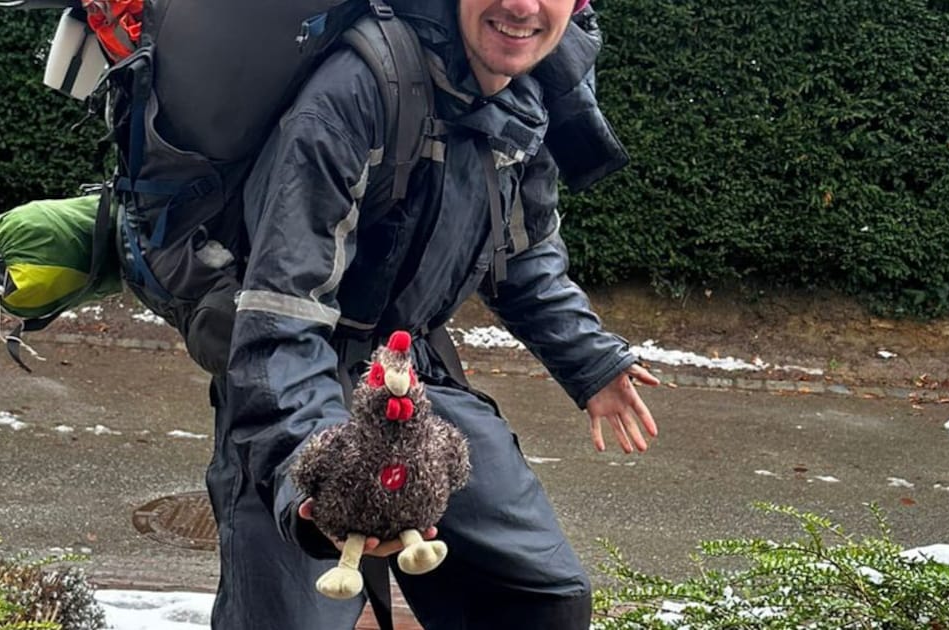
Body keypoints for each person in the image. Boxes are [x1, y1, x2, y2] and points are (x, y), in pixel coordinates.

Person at [205, 0, 659, 627]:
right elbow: (282, 316)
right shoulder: (359, 86)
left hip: (408, 378)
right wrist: (317, 471)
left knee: (542, 600)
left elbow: (521, 254)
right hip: (299, 383)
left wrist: (590, 360)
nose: (523, 8)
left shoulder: (537, 85)